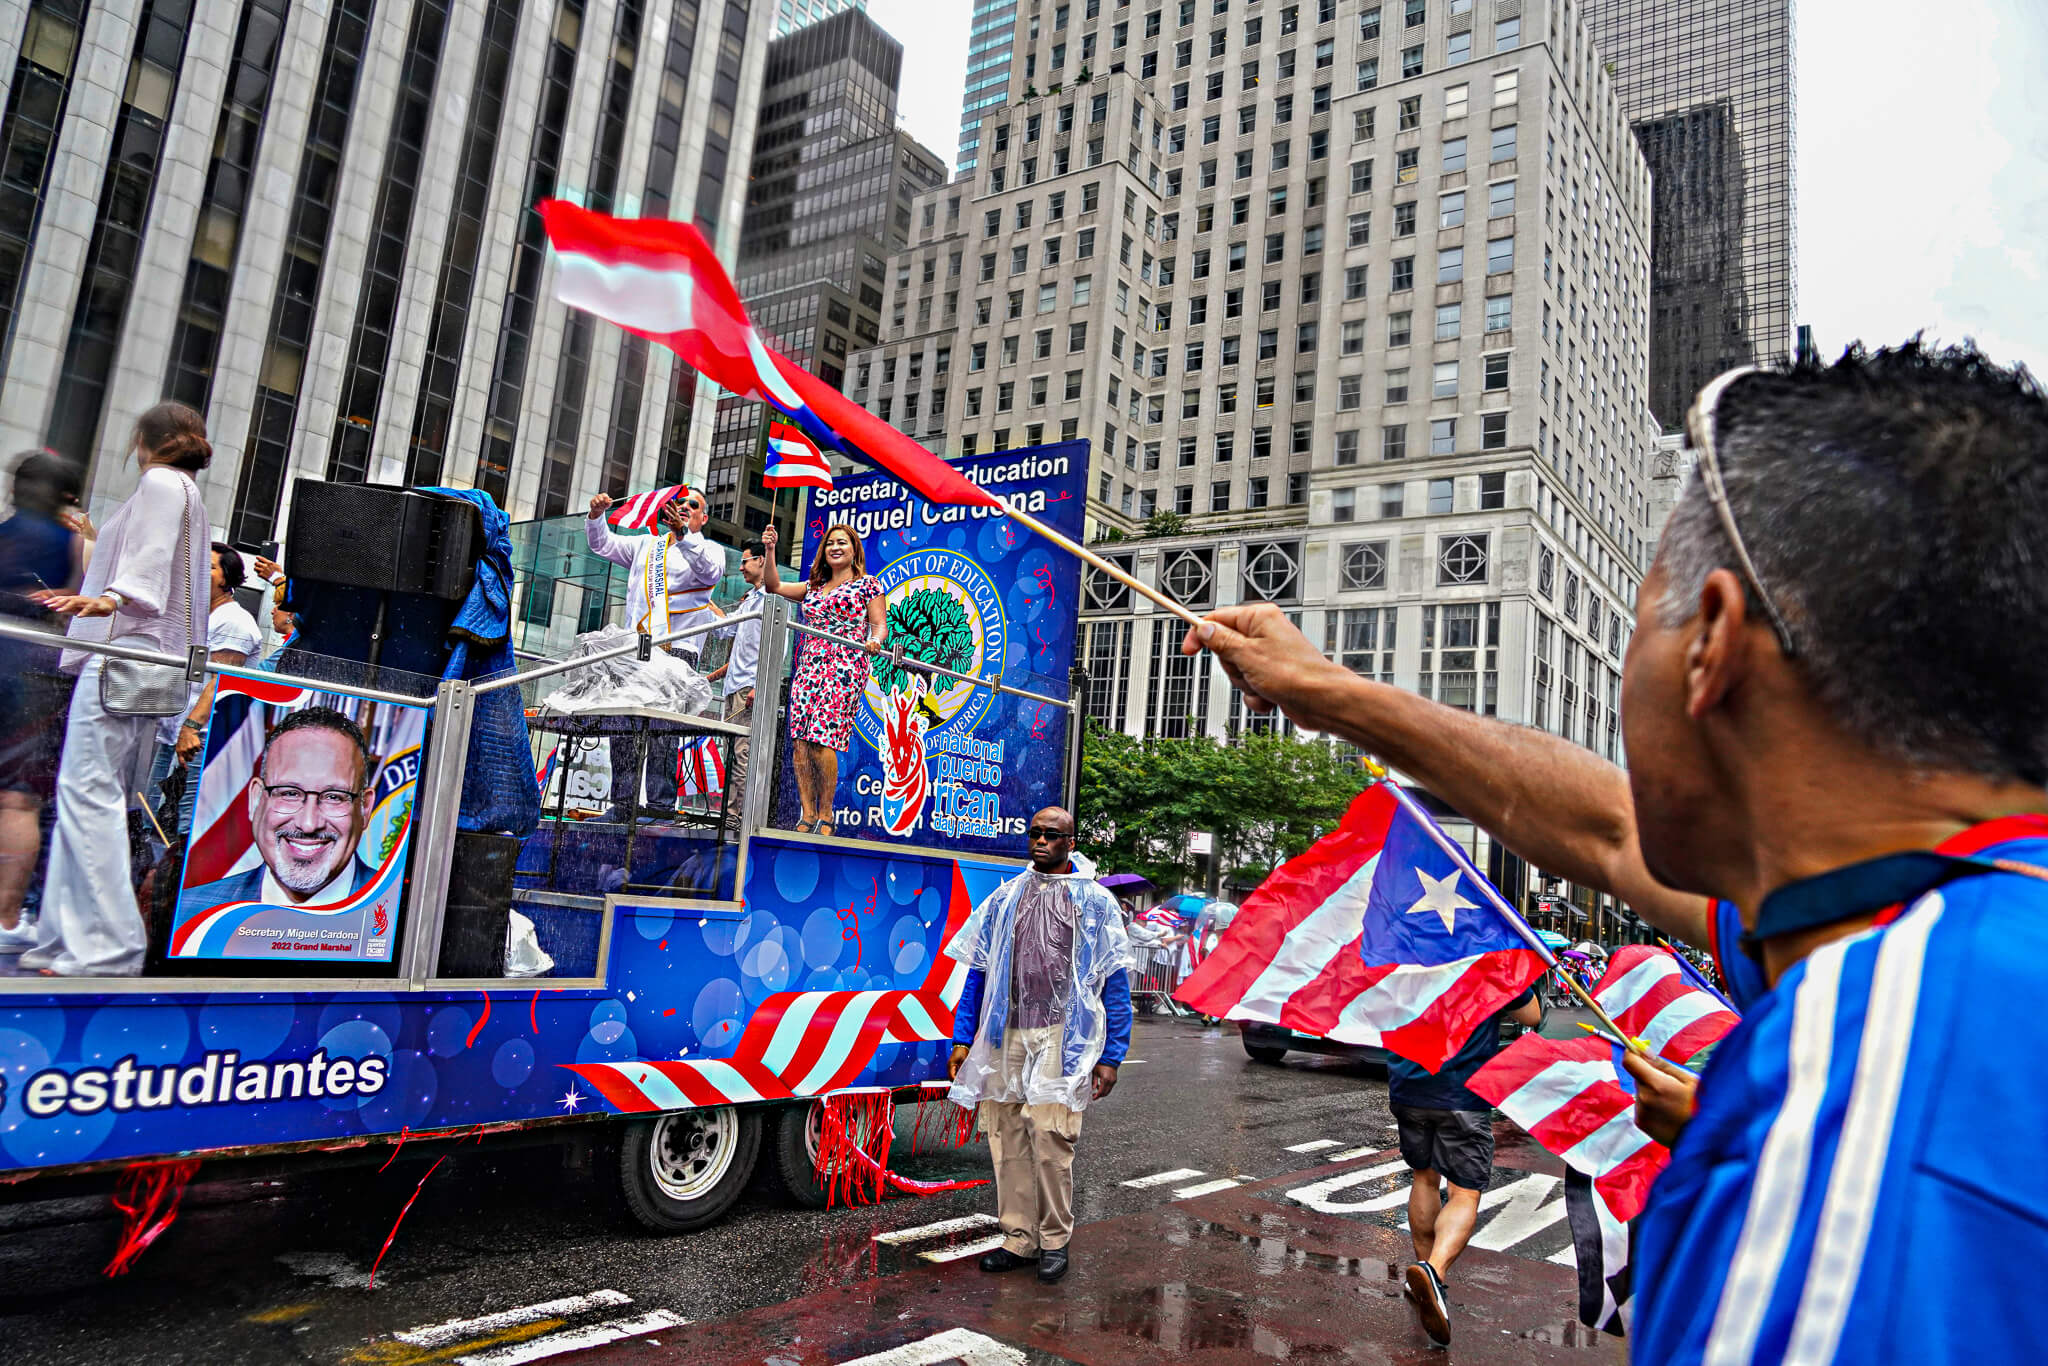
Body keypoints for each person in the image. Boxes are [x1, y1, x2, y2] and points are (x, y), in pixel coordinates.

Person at [1185, 342, 2048, 1360]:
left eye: (1641, 617)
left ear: (1711, 643)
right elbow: (1604, 827)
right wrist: (1324, 691)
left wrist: (1788, 1144)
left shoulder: (1867, 1124)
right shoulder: (1942, 912)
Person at [27, 402, 211, 976]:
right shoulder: (186, 491)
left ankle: (102, 943)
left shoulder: (159, 481)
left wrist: (114, 598)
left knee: (87, 792)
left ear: (142, 439)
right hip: (146, 659)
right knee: (90, 791)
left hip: (123, 653)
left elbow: (150, 560)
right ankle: (67, 936)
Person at [946, 807, 1133, 1284]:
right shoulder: (1007, 898)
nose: (1041, 841)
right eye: (1035, 833)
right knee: (1006, 1137)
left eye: (1052, 835)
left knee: (1051, 1137)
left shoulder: (1094, 902)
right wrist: (964, 1039)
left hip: (1061, 1035)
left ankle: (1054, 1240)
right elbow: (979, 973)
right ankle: (1018, 1238)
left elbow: (1113, 982)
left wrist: (1111, 1056)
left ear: (1072, 842)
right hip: (1007, 1032)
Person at [1390, 985, 1543, 1344]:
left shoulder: (1405, 946)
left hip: (1408, 1084)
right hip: (1462, 1090)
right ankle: (1434, 1271)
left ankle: (1424, 1284)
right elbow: (1532, 1015)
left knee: (1424, 1179)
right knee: (1464, 1193)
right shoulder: (1488, 952)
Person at [585, 487, 723, 822]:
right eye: (681, 503)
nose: (686, 508)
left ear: (703, 518)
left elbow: (709, 573)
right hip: (636, 649)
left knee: (663, 731)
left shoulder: (709, 549)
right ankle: (623, 804)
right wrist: (596, 515)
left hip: (676, 651)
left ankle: (661, 808)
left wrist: (682, 534)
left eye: (694, 506)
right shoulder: (647, 545)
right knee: (624, 727)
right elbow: (603, 543)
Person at [0, 450, 86, 951]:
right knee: (18, 798)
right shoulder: (73, 545)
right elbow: (74, 610)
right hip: (35, 676)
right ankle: (8, 918)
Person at [176, 707, 378, 918]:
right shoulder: (191, 912)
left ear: (364, 807)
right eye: (289, 793)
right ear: (255, 799)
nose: (308, 824)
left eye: (334, 796)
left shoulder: (397, 913)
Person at [758, 523, 885, 836]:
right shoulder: (813, 587)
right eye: (830, 543)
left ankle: (827, 813)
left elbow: (879, 626)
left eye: (843, 542)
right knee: (801, 741)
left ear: (854, 549)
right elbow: (773, 586)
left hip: (843, 666)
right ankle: (808, 813)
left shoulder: (868, 584)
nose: (836, 547)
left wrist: (876, 641)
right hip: (809, 666)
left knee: (820, 740)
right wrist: (771, 549)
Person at [146, 542, 262, 835]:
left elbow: (221, 682)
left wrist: (190, 728)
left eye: (209, 567)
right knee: (153, 818)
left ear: (226, 578)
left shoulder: (235, 622)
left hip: (200, 741)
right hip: (176, 733)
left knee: (182, 825)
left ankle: (170, 880)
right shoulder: (201, 618)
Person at [706, 538, 767, 834]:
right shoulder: (751, 598)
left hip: (749, 690)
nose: (741, 567)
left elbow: (774, 647)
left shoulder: (771, 597)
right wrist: (702, 598)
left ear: (761, 561)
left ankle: (734, 818)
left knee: (742, 753)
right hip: (734, 687)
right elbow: (727, 628)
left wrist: (759, 683)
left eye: (745, 561)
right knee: (731, 752)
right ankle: (728, 814)